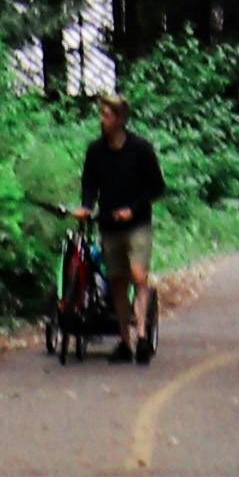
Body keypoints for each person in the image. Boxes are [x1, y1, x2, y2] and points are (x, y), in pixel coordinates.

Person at [77, 80, 165, 362]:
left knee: (138, 276)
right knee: (116, 282)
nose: (101, 120)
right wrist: (86, 207)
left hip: (137, 225)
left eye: (106, 115)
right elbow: (89, 184)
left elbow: (157, 187)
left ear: (120, 118)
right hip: (109, 225)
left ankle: (142, 336)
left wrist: (133, 209)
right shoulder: (95, 151)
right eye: (100, 115)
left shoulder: (141, 149)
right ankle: (125, 343)